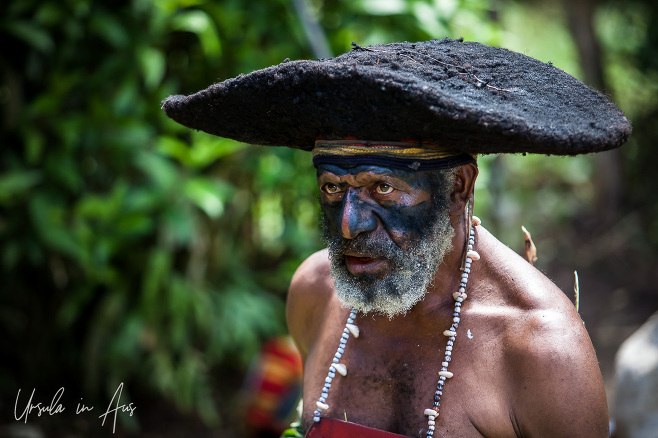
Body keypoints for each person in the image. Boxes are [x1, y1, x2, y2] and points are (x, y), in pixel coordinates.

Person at [163, 38, 631, 437]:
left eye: (382, 187)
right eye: (332, 187)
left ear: (460, 187)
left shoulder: (538, 346)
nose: (349, 224)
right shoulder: (315, 293)